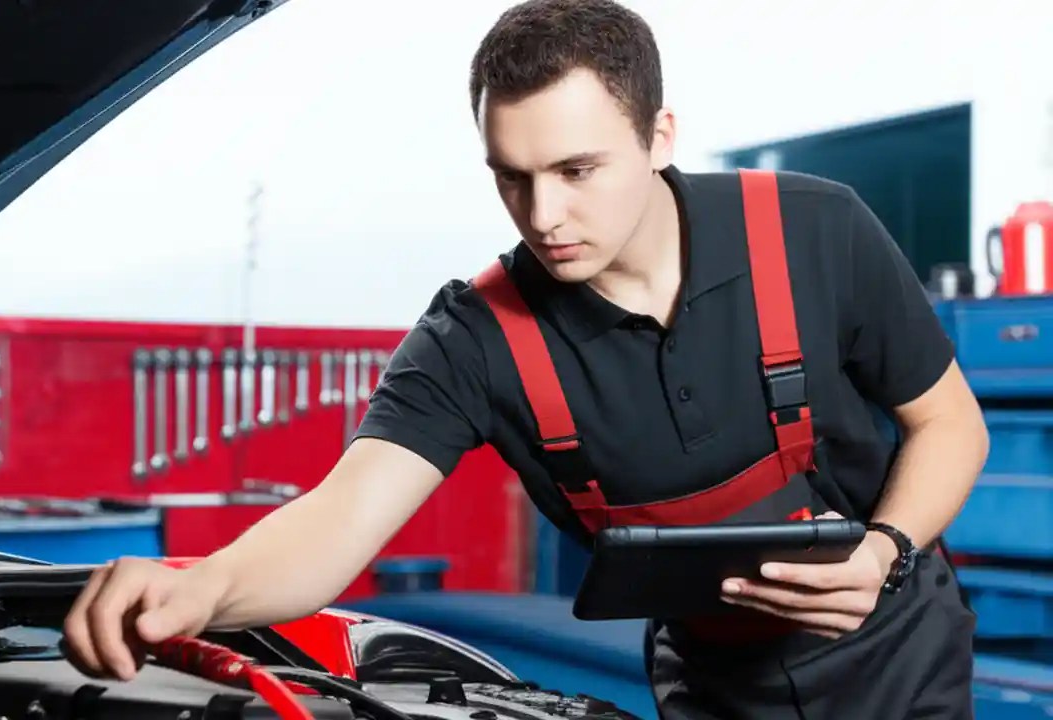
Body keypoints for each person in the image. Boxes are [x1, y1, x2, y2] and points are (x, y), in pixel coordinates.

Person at [63, 0, 989, 716]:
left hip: (900, 656)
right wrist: (197, 587)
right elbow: (338, 518)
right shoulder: (475, 338)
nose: (542, 215)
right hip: (713, 689)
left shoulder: (814, 231)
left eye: (577, 171)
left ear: (658, 138)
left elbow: (949, 422)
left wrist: (884, 549)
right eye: (512, 176)